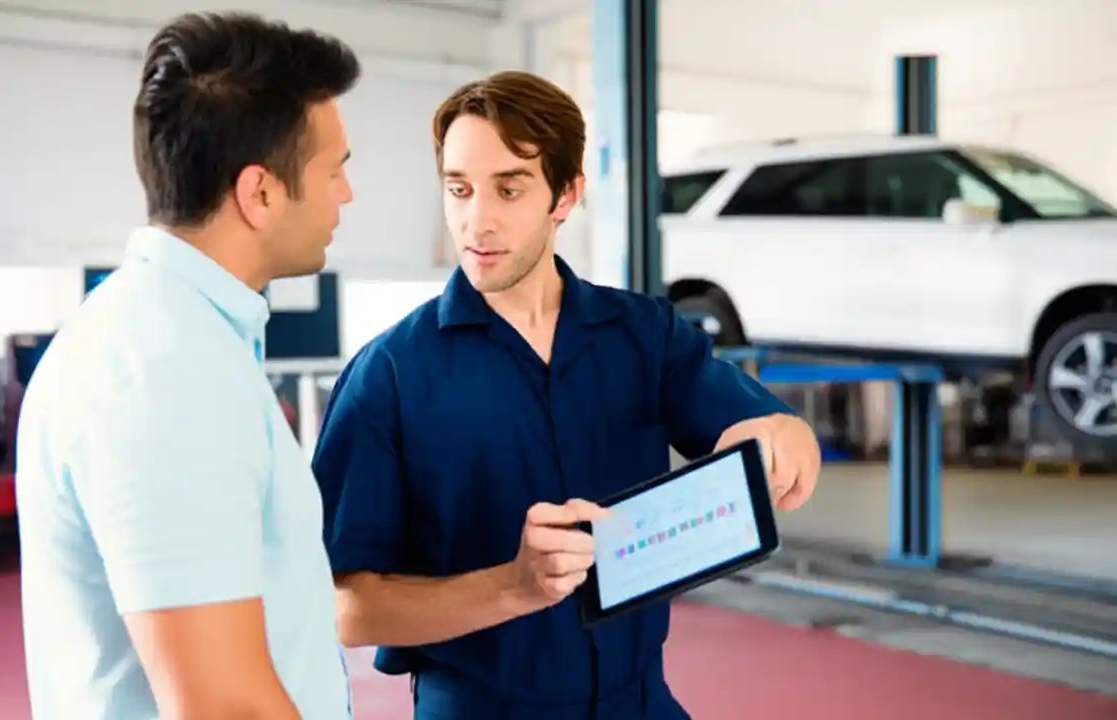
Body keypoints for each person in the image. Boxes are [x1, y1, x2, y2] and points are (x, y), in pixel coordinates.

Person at [312, 70, 822, 719]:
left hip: (640, 703)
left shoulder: (644, 335)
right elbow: (342, 607)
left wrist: (780, 436)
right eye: (459, 189)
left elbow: (762, 430)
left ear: (567, 194)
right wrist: (512, 588)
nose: (477, 220)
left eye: (509, 188)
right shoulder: (390, 374)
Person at [14, 12, 359, 720]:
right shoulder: (165, 371)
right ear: (260, 193)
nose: (346, 194)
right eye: (335, 170)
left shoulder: (179, 336)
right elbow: (225, 706)